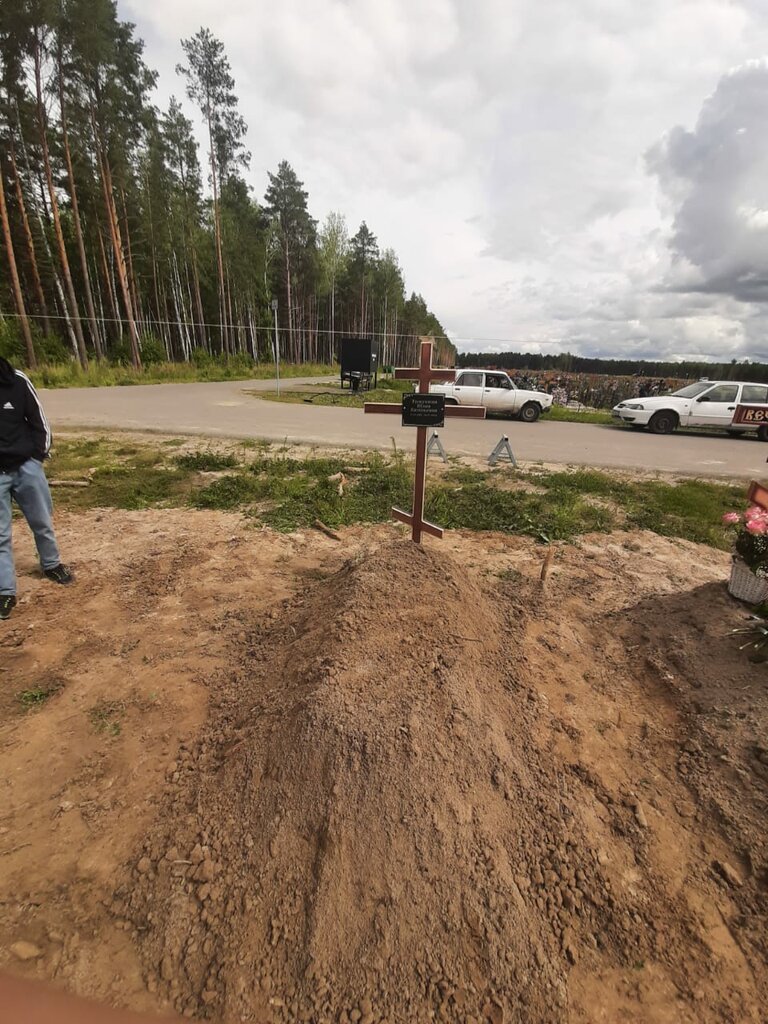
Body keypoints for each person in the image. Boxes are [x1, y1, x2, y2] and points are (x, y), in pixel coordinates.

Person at [0, 356, 72, 619]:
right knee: (0, 535)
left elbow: (39, 422)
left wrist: (37, 458)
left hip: (25, 468)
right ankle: (5, 591)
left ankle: (51, 564)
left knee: (42, 521)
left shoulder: (17, 382)